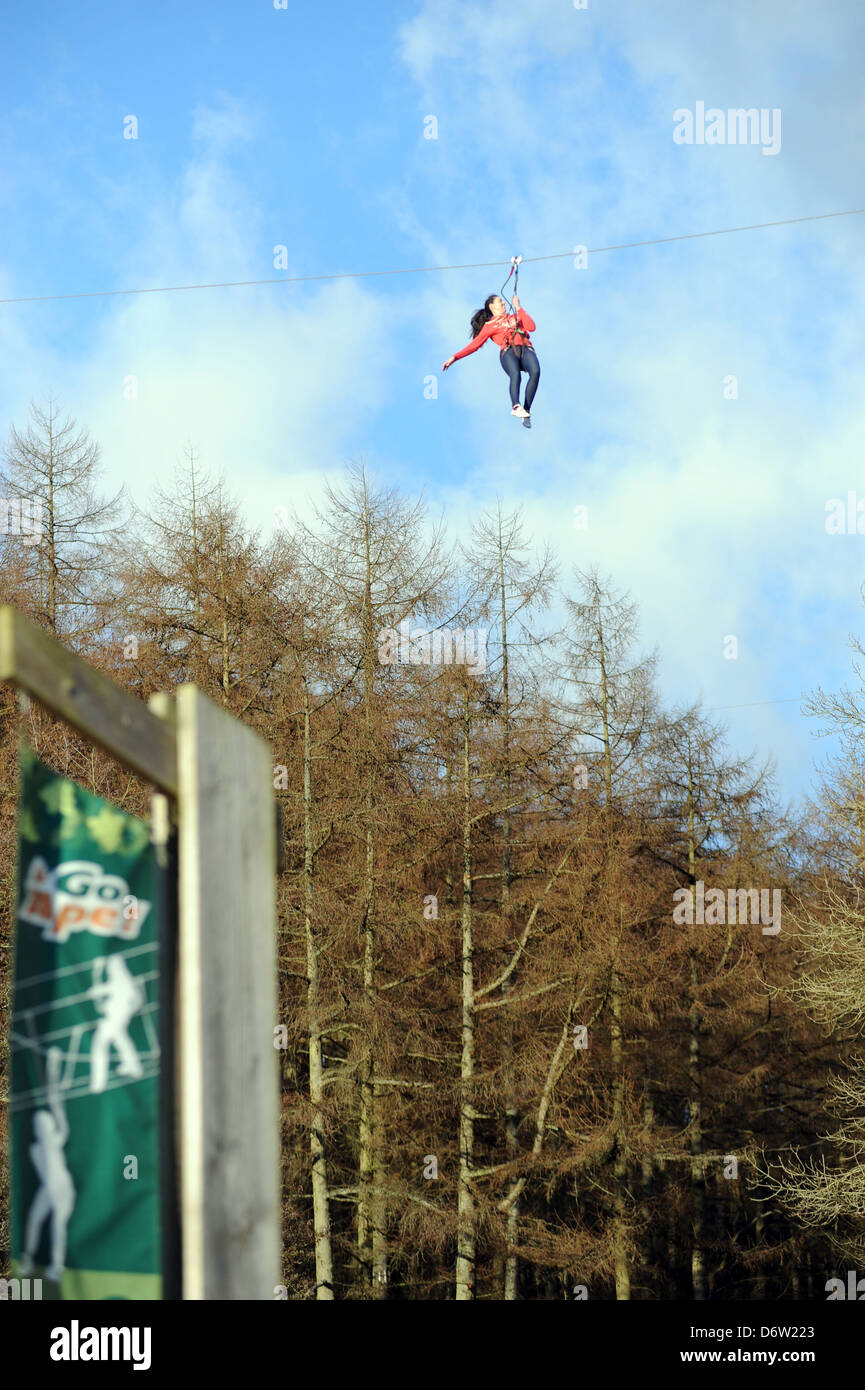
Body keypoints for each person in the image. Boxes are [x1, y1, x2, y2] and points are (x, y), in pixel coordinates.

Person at [442, 292, 540, 427]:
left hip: (525, 348)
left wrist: (518, 307)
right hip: (508, 352)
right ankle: (516, 406)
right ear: (492, 306)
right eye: (500, 301)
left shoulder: (516, 317)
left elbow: (531, 327)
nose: (504, 303)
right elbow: (474, 345)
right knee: (515, 375)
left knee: (535, 372)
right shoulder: (489, 326)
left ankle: (526, 410)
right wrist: (454, 357)